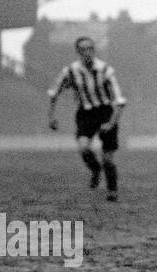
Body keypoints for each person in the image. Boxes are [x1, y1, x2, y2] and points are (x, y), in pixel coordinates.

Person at [47, 35, 127, 201]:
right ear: (78, 52)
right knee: (83, 148)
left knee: (108, 159)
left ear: (94, 50)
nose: (87, 53)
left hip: (105, 112)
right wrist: (52, 117)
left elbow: (119, 101)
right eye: (83, 49)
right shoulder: (70, 71)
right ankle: (95, 169)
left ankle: (112, 190)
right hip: (85, 113)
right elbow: (54, 93)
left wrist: (111, 123)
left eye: (90, 49)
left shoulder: (105, 70)